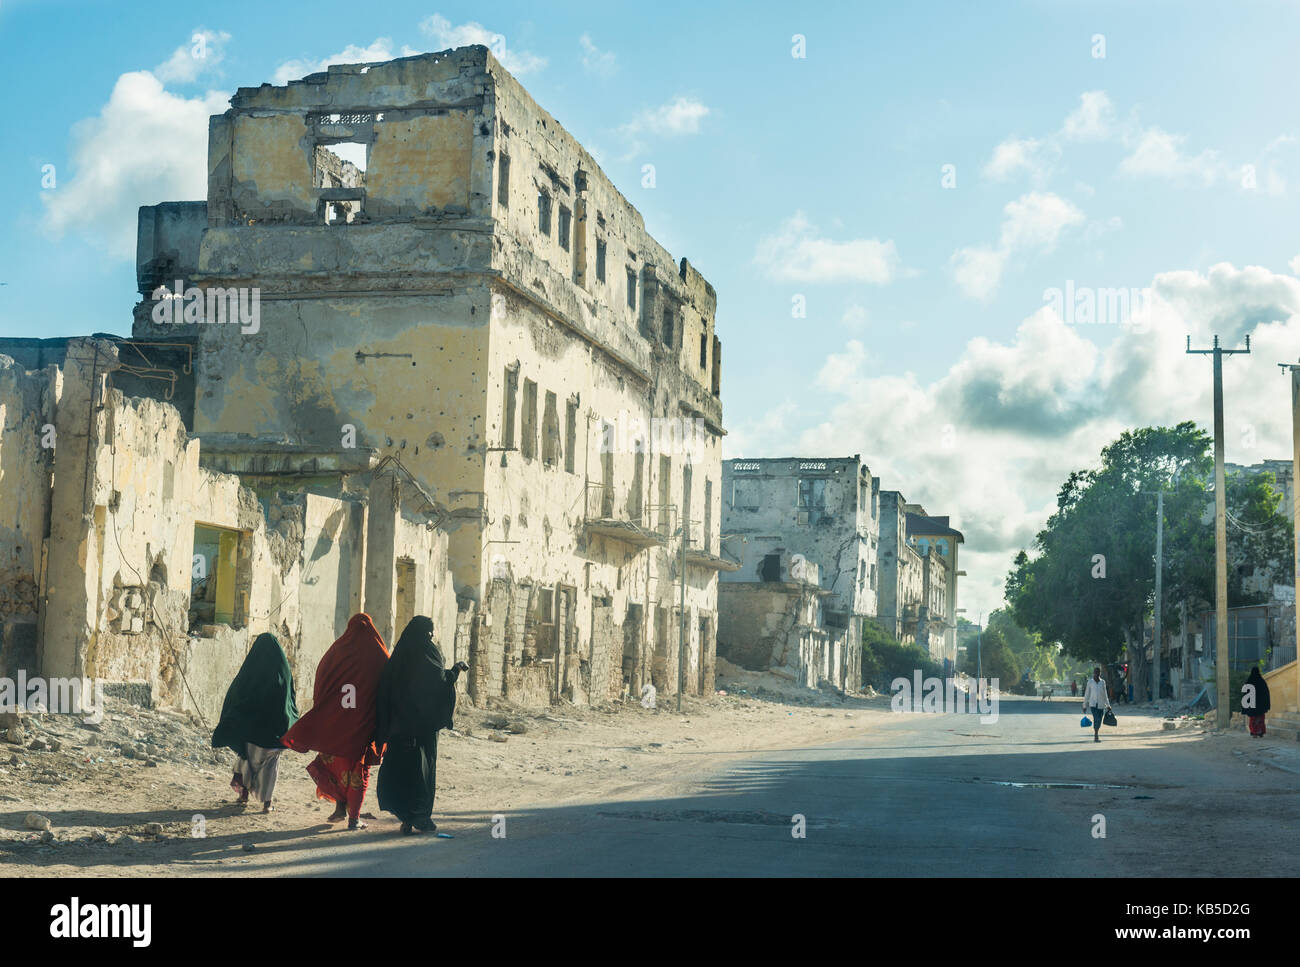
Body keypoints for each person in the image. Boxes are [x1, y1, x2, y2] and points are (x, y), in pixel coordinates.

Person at [282, 613, 390, 830]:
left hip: (336, 723)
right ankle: (353, 818)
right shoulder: (378, 655)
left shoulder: (337, 651)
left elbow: (321, 679)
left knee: (335, 765)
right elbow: (388, 687)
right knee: (359, 771)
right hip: (363, 725)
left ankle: (340, 806)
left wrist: (324, 708)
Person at [376, 616, 468, 835]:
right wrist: (455, 670)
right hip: (422, 729)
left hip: (399, 730)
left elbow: (384, 691)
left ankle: (406, 818)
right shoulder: (429, 654)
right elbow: (439, 682)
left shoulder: (398, 657)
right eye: (429, 632)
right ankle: (421, 818)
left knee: (401, 771)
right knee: (422, 771)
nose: (431, 636)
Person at [211, 632, 299, 813]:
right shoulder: (283, 669)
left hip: (252, 728)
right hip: (274, 729)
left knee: (247, 761)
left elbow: (237, 692)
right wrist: (291, 719)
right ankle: (267, 803)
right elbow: (290, 697)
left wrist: (232, 716)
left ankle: (243, 796)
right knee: (270, 767)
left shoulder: (252, 669)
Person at [1082, 667, 1111, 744]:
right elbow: (1087, 694)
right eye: (1095, 673)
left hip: (1101, 704)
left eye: (1098, 673)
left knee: (1099, 719)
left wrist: (1108, 705)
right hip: (1093, 704)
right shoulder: (1090, 682)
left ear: (1100, 673)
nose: (1097, 674)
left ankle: (1096, 732)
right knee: (1096, 718)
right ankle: (1096, 735)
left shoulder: (1102, 682)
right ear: (1093, 673)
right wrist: (1084, 705)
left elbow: (1105, 694)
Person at [1242, 666, 1271, 737]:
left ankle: (1254, 732)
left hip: (1252, 705)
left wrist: (1245, 706)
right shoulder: (1262, 681)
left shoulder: (1249, 681)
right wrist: (1266, 704)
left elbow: (1245, 693)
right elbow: (1266, 694)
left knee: (1253, 719)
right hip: (1261, 706)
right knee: (1260, 719)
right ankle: (1260, 732)